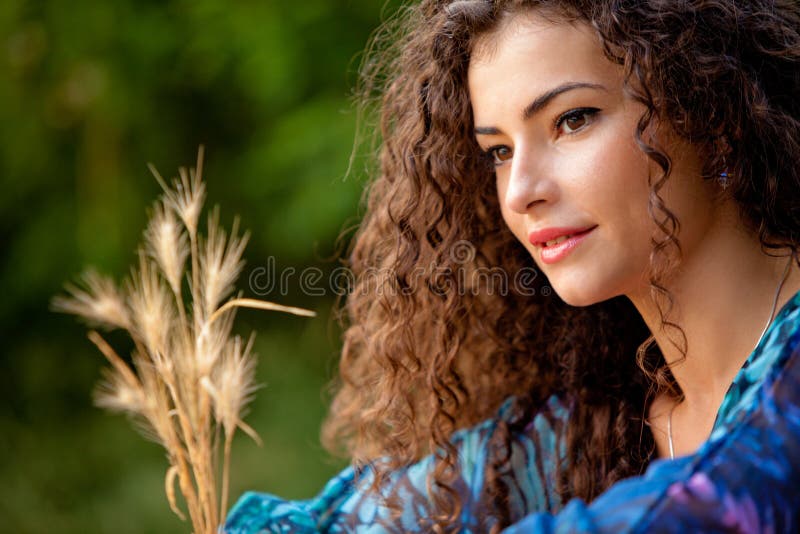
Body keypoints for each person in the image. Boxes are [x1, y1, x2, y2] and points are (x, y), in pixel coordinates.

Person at [224, 1, 800, 532]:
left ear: (713, 109)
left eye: (572, 120)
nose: (520, 191)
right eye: (499, 151)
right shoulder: (590, 435)